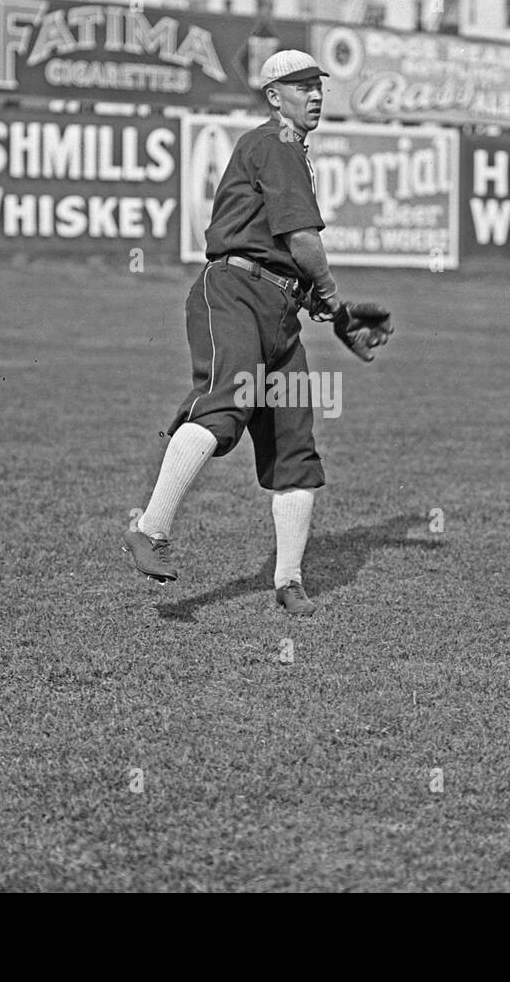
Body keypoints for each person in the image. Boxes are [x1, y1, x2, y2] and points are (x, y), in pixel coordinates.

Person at [121, 50, 342, 616]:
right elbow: (302, 240)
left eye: (318, 85)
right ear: (274, 95)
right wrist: (333, 296)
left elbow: (291, 249)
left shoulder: (289, 148)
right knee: (226, 407)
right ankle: (149, 529)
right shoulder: (275, 143)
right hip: (236, 292)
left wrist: (310, 295)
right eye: (301, 86)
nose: (314, 95)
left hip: (278, 305)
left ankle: (288, 581)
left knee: (294, 443)